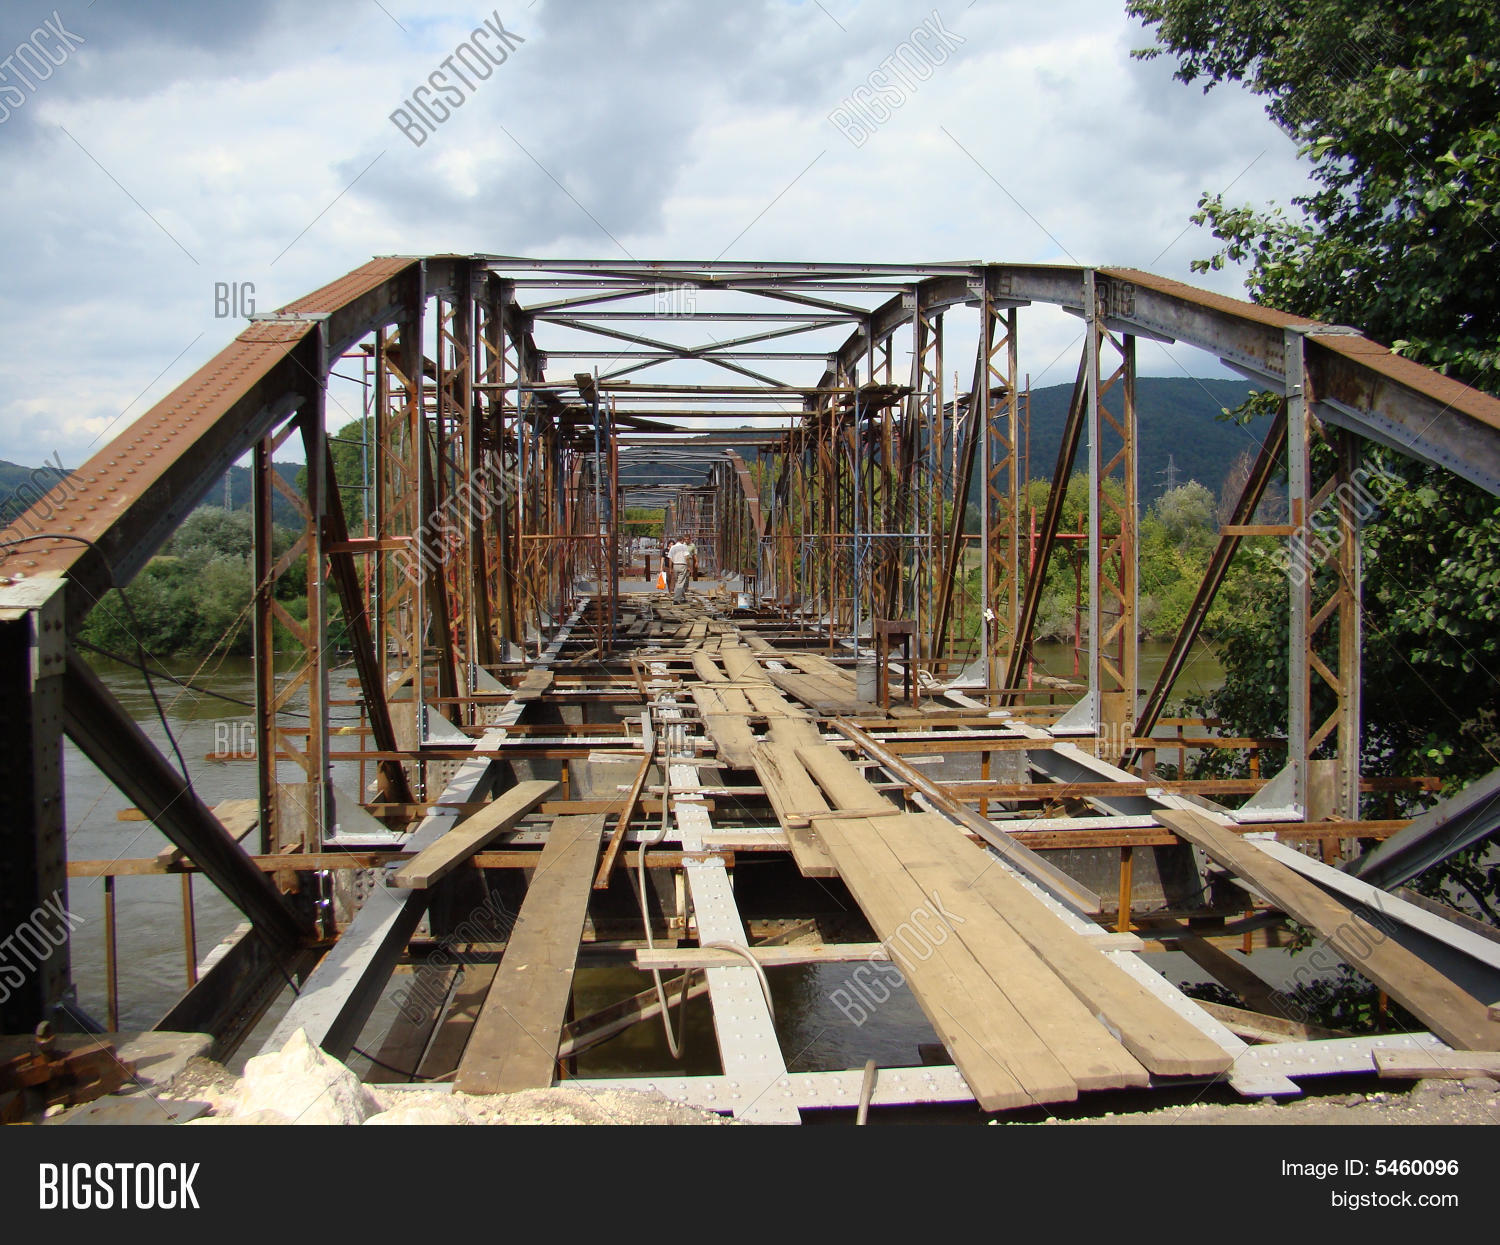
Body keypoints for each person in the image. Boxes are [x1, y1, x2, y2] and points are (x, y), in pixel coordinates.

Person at [668, 535, 693, 601]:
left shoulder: (673, 547)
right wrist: (689, 566)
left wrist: (670, 568)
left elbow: (670, 559)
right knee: (680, 583)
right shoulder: (684, 547)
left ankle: (683, 597)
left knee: (678, 582)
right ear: (682, 540)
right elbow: (687, 557)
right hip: (682, 565)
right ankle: (676, 599)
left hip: (675, 565)